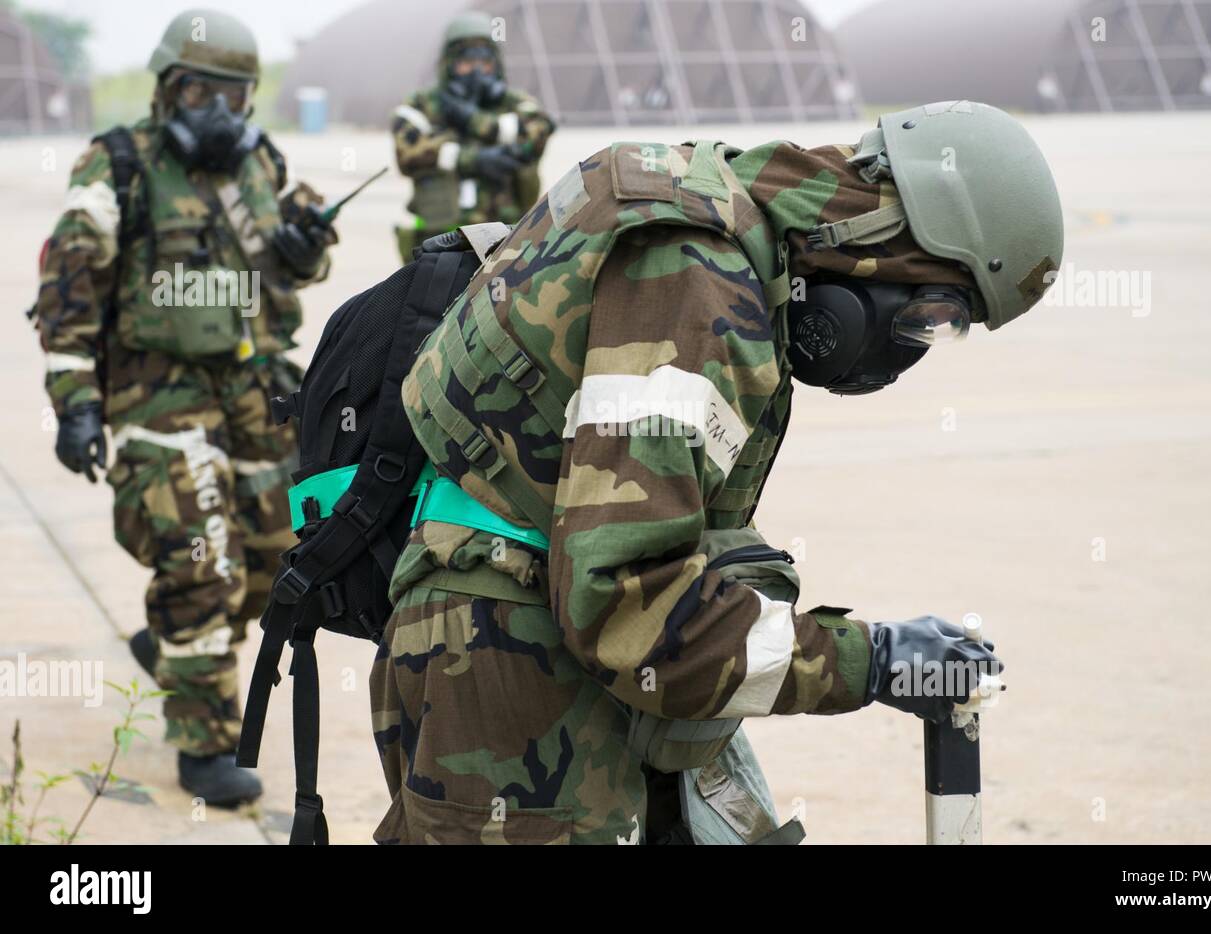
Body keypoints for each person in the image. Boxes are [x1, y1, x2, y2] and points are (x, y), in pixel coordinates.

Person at [369, 100, 1064, 843]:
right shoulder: (693, 281)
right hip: (514, 689)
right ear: (887, 242)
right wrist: (875, 659)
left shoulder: (727, 223)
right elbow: (627, 608)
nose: (914, 348)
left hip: (552, 654)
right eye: (930, 314)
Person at [30, 8, 336, 806]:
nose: (219, 111)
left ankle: (172, 654)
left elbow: (293, 256)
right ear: (169, 88)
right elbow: (67, 292)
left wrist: (306, 253)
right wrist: (74, 403)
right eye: (202, 91)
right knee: (204, 554)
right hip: (154, 385)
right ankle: (204, 742)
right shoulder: (119, 166)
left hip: (249, 377)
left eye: (235, 97)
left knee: (284, 555)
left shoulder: (261, 164)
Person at [391, 10, 554, 259]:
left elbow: (539, 132)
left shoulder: (513, 102)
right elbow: (407, 153)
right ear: (450, 65)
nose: (477, 72)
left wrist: (475, 121)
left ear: (495, 64)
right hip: (440, 242)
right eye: (467, 62)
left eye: (484, 62)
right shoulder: (422, 105)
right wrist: (473, 159)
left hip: (505, 239)